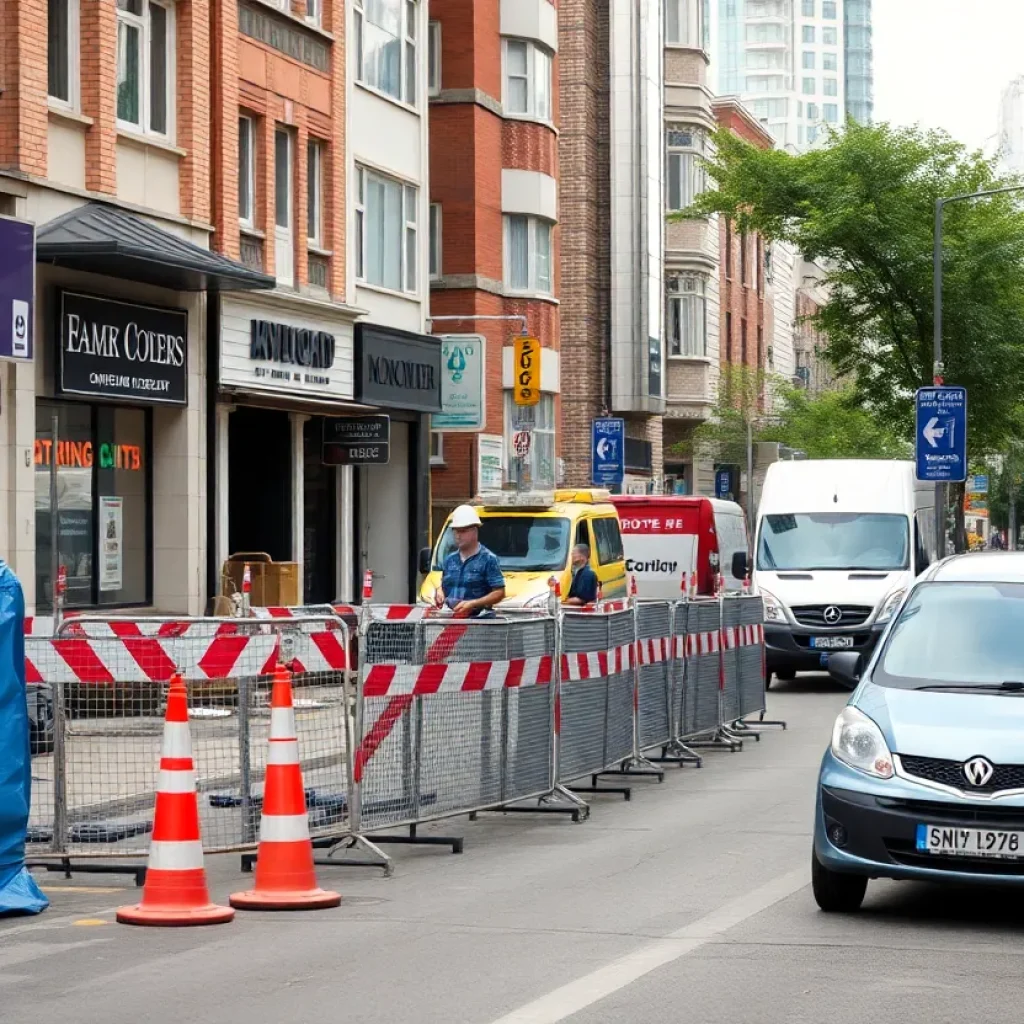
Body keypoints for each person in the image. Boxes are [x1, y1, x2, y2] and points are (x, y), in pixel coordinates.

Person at [434, 505, 506, 617]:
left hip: (480, 625)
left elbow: (499, 593)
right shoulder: (449, 560)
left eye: (462, 531)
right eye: (455, 531)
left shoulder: (488, 559)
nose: (457, 536)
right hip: (451, 624)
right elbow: (444, 584)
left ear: (474, 531)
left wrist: (473, 603)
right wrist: (439, 591)